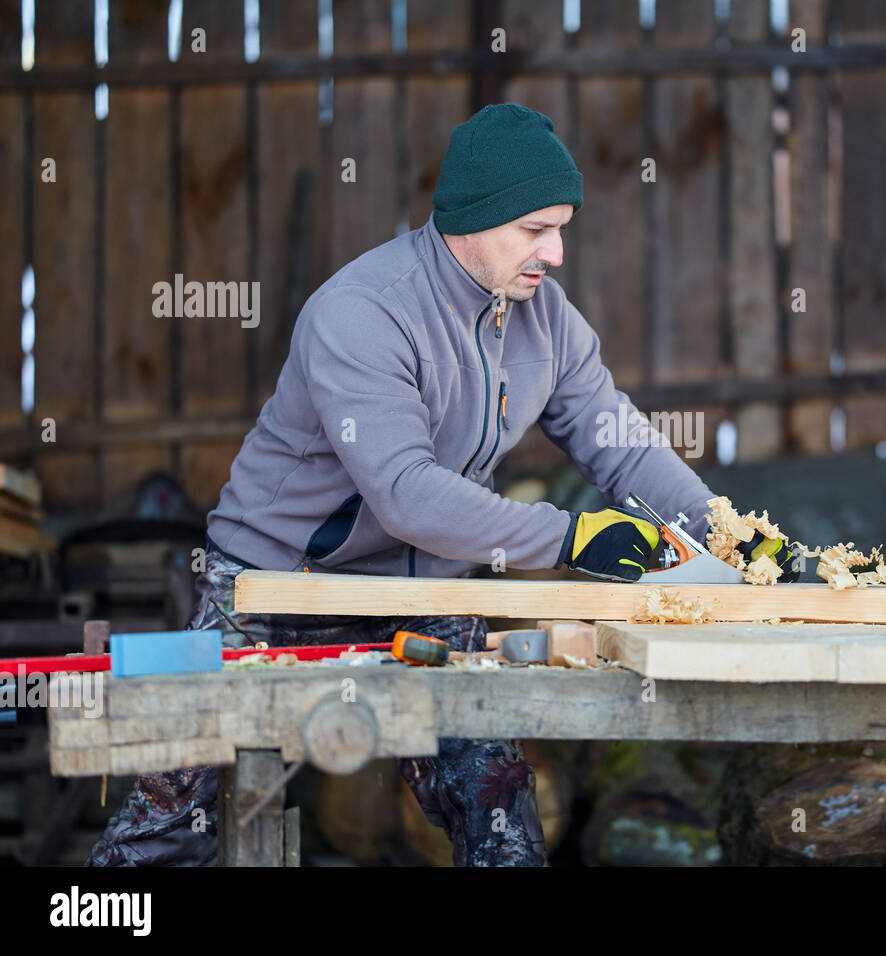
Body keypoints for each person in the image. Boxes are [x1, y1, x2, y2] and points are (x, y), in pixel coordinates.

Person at [90, 103, 799, 867]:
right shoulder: (363, 313)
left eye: (562, 227)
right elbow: (405, 491)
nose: (556, 252)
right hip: (279, 591)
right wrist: (571, 537)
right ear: (470, 220)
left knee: (497, 812)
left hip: (428, 597)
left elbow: (620, 442)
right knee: (172, 816)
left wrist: (733, 534)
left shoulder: (546, 318)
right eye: (535, 230)